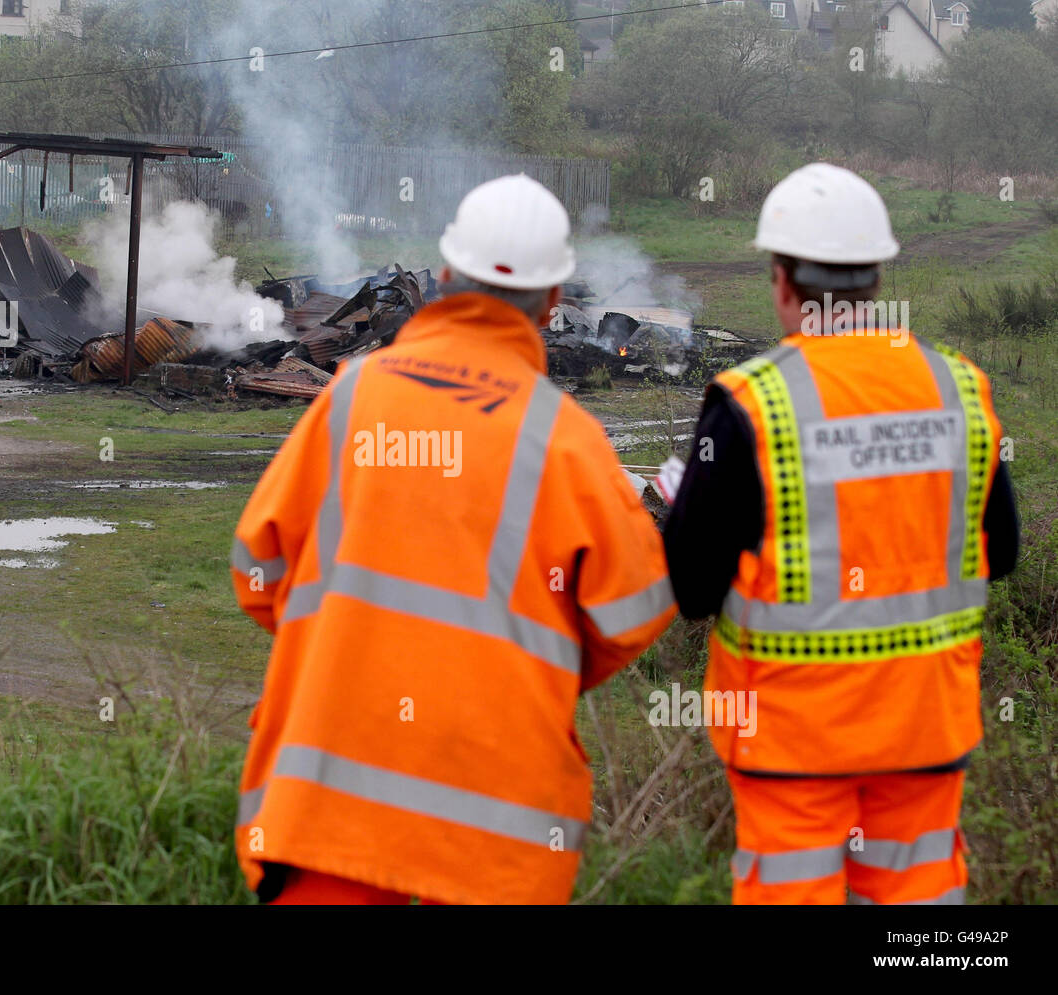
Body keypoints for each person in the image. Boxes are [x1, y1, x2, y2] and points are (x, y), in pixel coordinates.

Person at [230, 174, 676, 904]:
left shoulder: (351, 399)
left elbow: (256, 568)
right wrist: (533, 671)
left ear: (441, 278)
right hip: (495, 848)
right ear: (554, 301)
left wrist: (338, 643)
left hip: (327, 820)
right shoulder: (566, 442)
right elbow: (631, 614)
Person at [663, 162, 1020, 905]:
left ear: (782, 280)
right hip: (925, 732)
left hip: (795, 746)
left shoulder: (750, 404)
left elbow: (694, 590)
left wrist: (678, 508)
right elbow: (1005, 549)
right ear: (877, 282)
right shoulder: (957, 387)